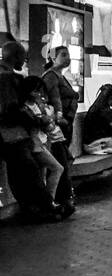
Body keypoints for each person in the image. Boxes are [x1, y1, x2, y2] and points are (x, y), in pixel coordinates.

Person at [0, 41, 61, 222]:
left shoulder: (8, 76)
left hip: (9, 135)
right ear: (17, 57)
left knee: (19, 174)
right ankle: (44, 208)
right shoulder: (6, 78)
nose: (25, 60)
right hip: (12, 134)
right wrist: (35, 119)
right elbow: (10, 109)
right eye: (23, 56)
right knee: (29, 172)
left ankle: (33, 208)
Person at [42, 46, 77, 212]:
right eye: (63, 55)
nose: (67, 57)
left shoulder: (61, 76)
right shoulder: (51, 76)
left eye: (68, 54)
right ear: (53, 58)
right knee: (61, 160)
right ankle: (61, 196)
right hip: (58, 128)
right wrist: (60, 116)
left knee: (65, 159)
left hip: (65, 126)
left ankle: (63, 194)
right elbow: (55, 98)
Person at [19, 76, 64, 203]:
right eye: (35, 91)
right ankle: (49, 201)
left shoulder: (37, 104)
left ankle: (45, 202)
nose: (38, 94)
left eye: (39, 91)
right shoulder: (25, 107)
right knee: (57, 168)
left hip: (43, 140)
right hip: (35, 143)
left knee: (42, 174)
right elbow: (36, 122)